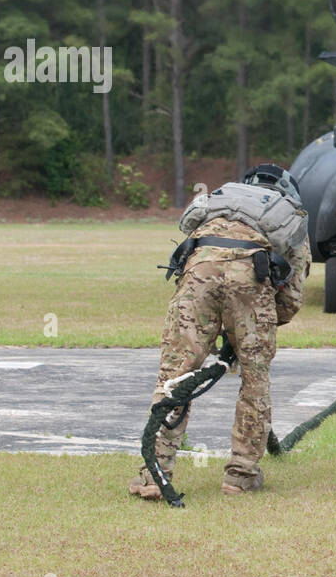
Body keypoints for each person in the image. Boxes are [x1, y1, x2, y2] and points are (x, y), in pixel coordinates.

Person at [129, 164, 310, 499]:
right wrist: (252, 331)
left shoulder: (222, 201)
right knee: (255, 381)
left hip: (200, 270)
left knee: (176, 375)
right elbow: (293, 298)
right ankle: (240, 476)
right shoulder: (289, 216)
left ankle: (153, 475)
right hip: (250, 279)